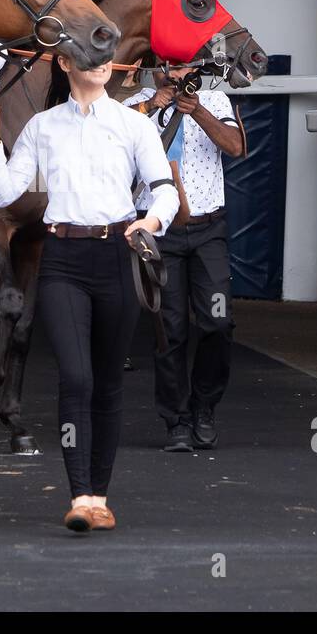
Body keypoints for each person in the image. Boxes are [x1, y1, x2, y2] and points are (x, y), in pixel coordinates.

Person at [0, 58, 179, 533]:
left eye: (108, 52)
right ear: (66, 62)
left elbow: (164, 190)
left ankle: (100, 497)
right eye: (91, 52)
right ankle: (80, 496)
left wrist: (150, 222)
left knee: (108, 382)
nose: (103, 62)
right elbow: (5, 193)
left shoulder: (134, 123)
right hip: (63, 259)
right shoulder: (43, 127)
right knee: (76, 376)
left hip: (119, 257)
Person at [124, 66, 245, 452]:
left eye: (185, 65)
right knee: (168, 331)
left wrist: (198, 112)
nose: (178, 73)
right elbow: (110, 149)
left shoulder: (214, 99)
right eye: (170, 65)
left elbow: (236, 146)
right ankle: (175, 420)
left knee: (218, 322)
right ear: (156, 67)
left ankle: (204, 408)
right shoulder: (132, 107)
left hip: (209, 230)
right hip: (160, 233)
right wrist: (147, 106)